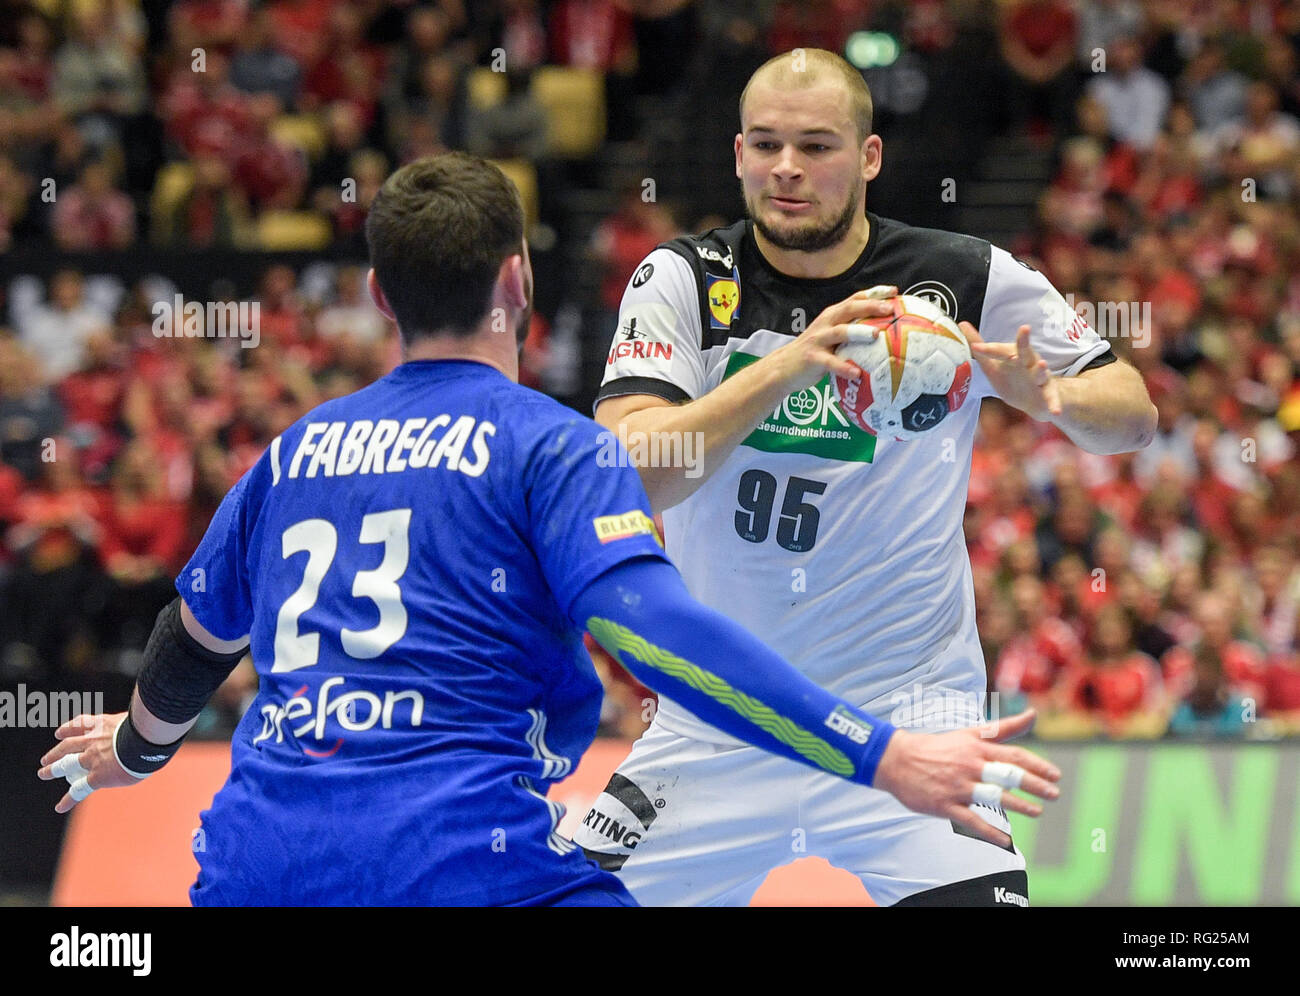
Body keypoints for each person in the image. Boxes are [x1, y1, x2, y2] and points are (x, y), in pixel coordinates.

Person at [36, 152, 1060, 907]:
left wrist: (135, 746)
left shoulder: (293, 452)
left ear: (377, 295)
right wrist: (882, 756)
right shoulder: (554, 450)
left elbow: (196, 634)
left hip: (250, 867)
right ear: (519, 280)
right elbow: (667, 639)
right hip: (465, 863)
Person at [574, 49, 1155, 907]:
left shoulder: (962, 277)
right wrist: (785, 368)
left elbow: (1133, 414)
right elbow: (622, 474)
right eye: (767, 145)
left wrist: (1058, 396)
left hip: (912, 727)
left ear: (870, 157)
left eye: (817, 146)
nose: (787, 170)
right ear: (737, 155)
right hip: (720, 726)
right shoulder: (686, 281)